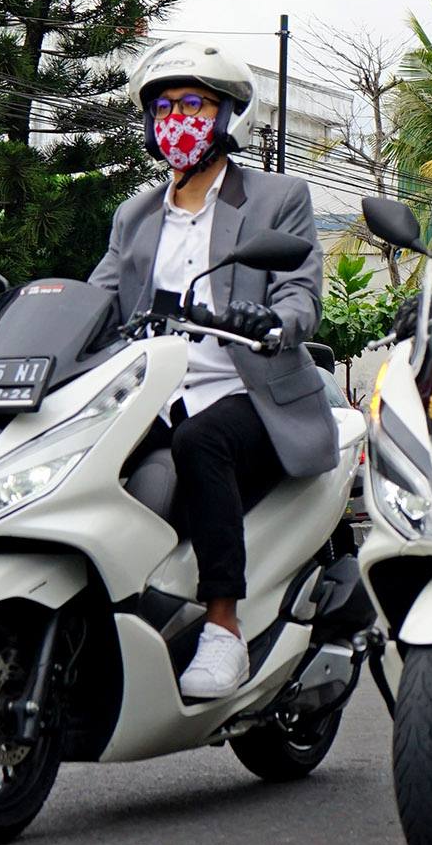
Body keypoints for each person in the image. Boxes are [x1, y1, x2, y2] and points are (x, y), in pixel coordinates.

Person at [90, 38, 337, 699]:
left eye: (193, 103)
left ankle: (223, 628)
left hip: (248, 391)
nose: (177, 116)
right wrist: (10, 320)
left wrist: (277, 323)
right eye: (164, 105)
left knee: (204, 443)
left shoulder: (278, 198)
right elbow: (98, 301)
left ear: (229, 116)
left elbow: (300, 291)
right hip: (150, 398)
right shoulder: (136, 215)